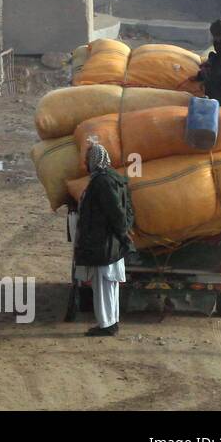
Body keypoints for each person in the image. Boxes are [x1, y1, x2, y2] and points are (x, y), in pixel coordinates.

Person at [74, 144, 135, 337]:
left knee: (102, 286)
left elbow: (115, 211)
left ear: (93, 161)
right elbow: (127, 210)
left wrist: (122, 232)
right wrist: (124, 233)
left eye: (87, 160)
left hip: (104, 243)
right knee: (110, 285)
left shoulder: (102, 182)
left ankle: (106, 325)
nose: (85, 164)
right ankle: (111, 322)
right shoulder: (116, 178)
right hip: (112, 242)